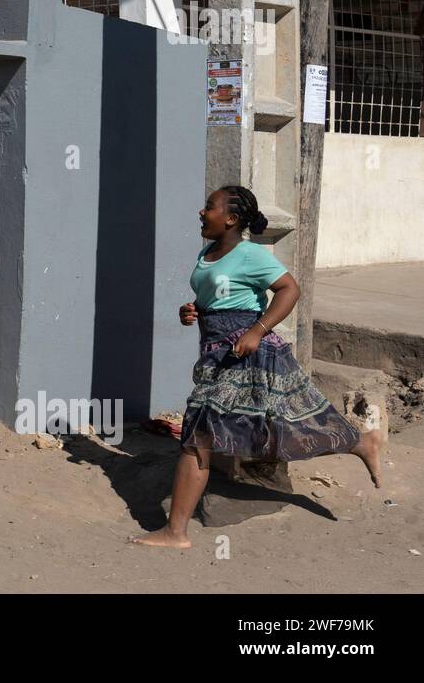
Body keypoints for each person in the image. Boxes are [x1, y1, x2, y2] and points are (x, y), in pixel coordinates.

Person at [132, 185, 385, 550]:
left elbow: (289, 289)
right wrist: (193, 310)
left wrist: (257, 331)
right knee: (261, 430)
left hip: (247, 355)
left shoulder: (251, 254)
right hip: (216, 356)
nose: (201, 212)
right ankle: (361, 443)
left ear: (231, 218)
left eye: (209, 207)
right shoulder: (207, 252)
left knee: (201, 435)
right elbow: (217, 298)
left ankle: (176, 532)